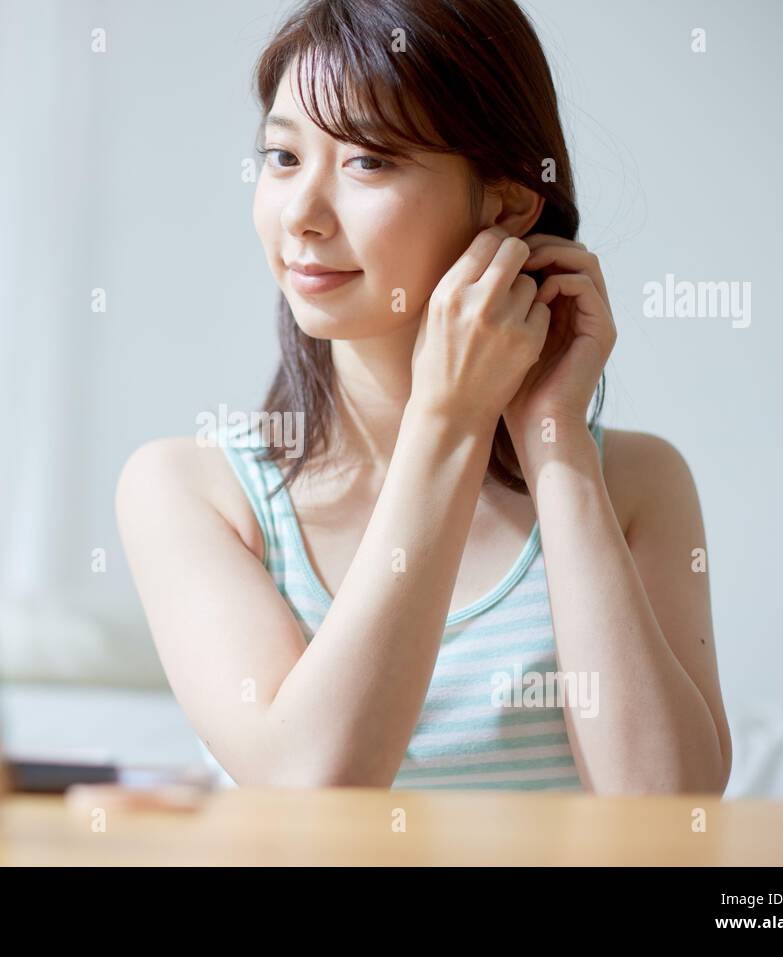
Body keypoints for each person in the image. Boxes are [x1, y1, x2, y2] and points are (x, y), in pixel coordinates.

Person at [117, 0, 731, 793]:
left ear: (508, 200)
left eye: (368, 161)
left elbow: (667, 812)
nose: (301, 214)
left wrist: (556, 445)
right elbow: (310, 790)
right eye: (281, 157)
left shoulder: (636, 485)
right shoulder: (192, 491)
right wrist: (449, 419)